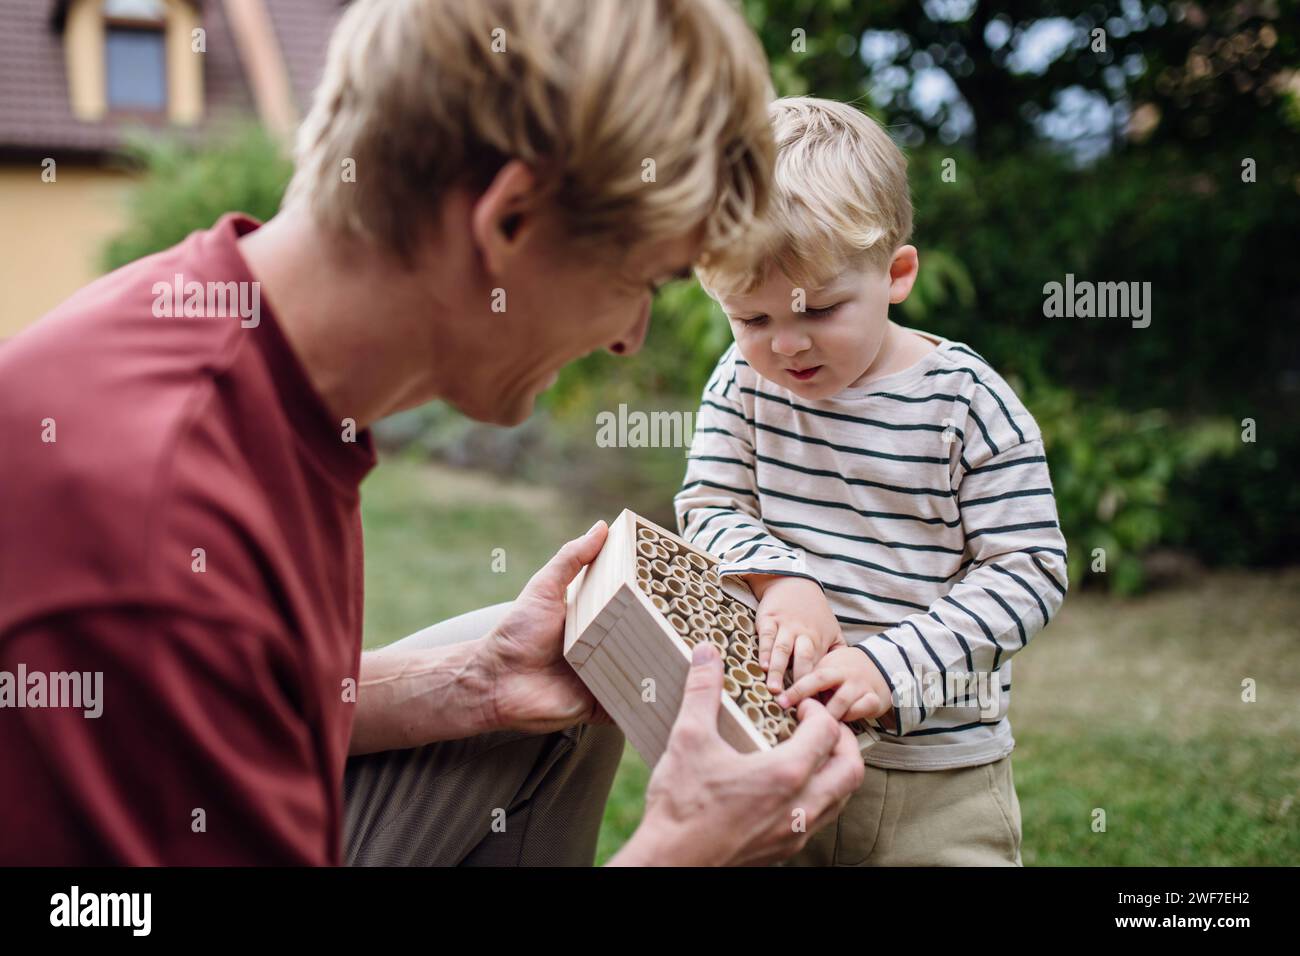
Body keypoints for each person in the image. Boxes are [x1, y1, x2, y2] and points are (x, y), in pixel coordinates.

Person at [0, 0, 865, 865]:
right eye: (642, 279)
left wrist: (476, 685)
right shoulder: (158, 522)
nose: (628, 336)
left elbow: (242, 697)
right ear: (509, 222)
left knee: (557, 694)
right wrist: (681, 853)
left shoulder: (245, 346)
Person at [676, 97, 1070, 866]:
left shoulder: (966, 402)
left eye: (818, 309)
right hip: (779, 751)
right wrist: (779, 579)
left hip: (939, 776)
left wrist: (891, 665)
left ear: (896, 274)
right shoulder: (744, 383)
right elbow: (709, 503)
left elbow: (1028, 568)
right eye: (749, 319)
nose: (784, 344)